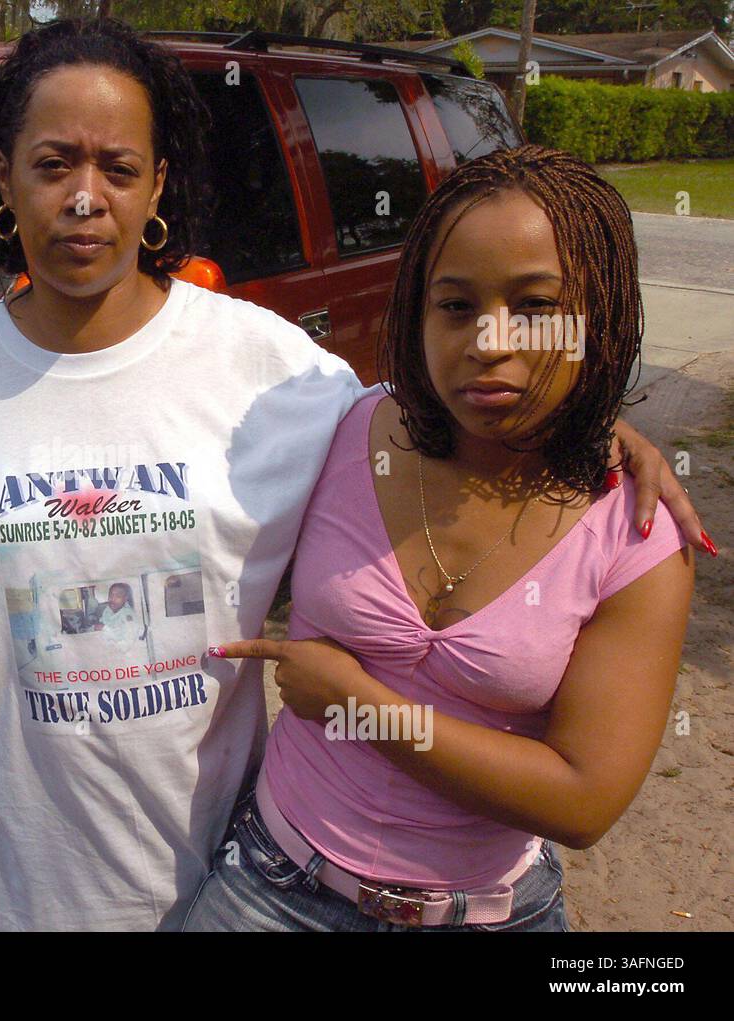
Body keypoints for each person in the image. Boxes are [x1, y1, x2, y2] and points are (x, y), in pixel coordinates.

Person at [0, 18, 704, 931]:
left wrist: (591, 423)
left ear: (158, 185)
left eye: (119, 169)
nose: (85, 199)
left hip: (201, 856)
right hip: (12, 860)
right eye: (53, 164)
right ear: (4, 176)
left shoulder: (271, 371)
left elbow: (451, 405)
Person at [185, 145, 706, 932]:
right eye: (456, 306)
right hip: (271, 886)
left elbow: (582, 799)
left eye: (535, 307)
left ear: (595, 320)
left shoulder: (634, 533)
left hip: (493, 913)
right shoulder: (347, 426)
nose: (489, 342)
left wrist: (360, 704)